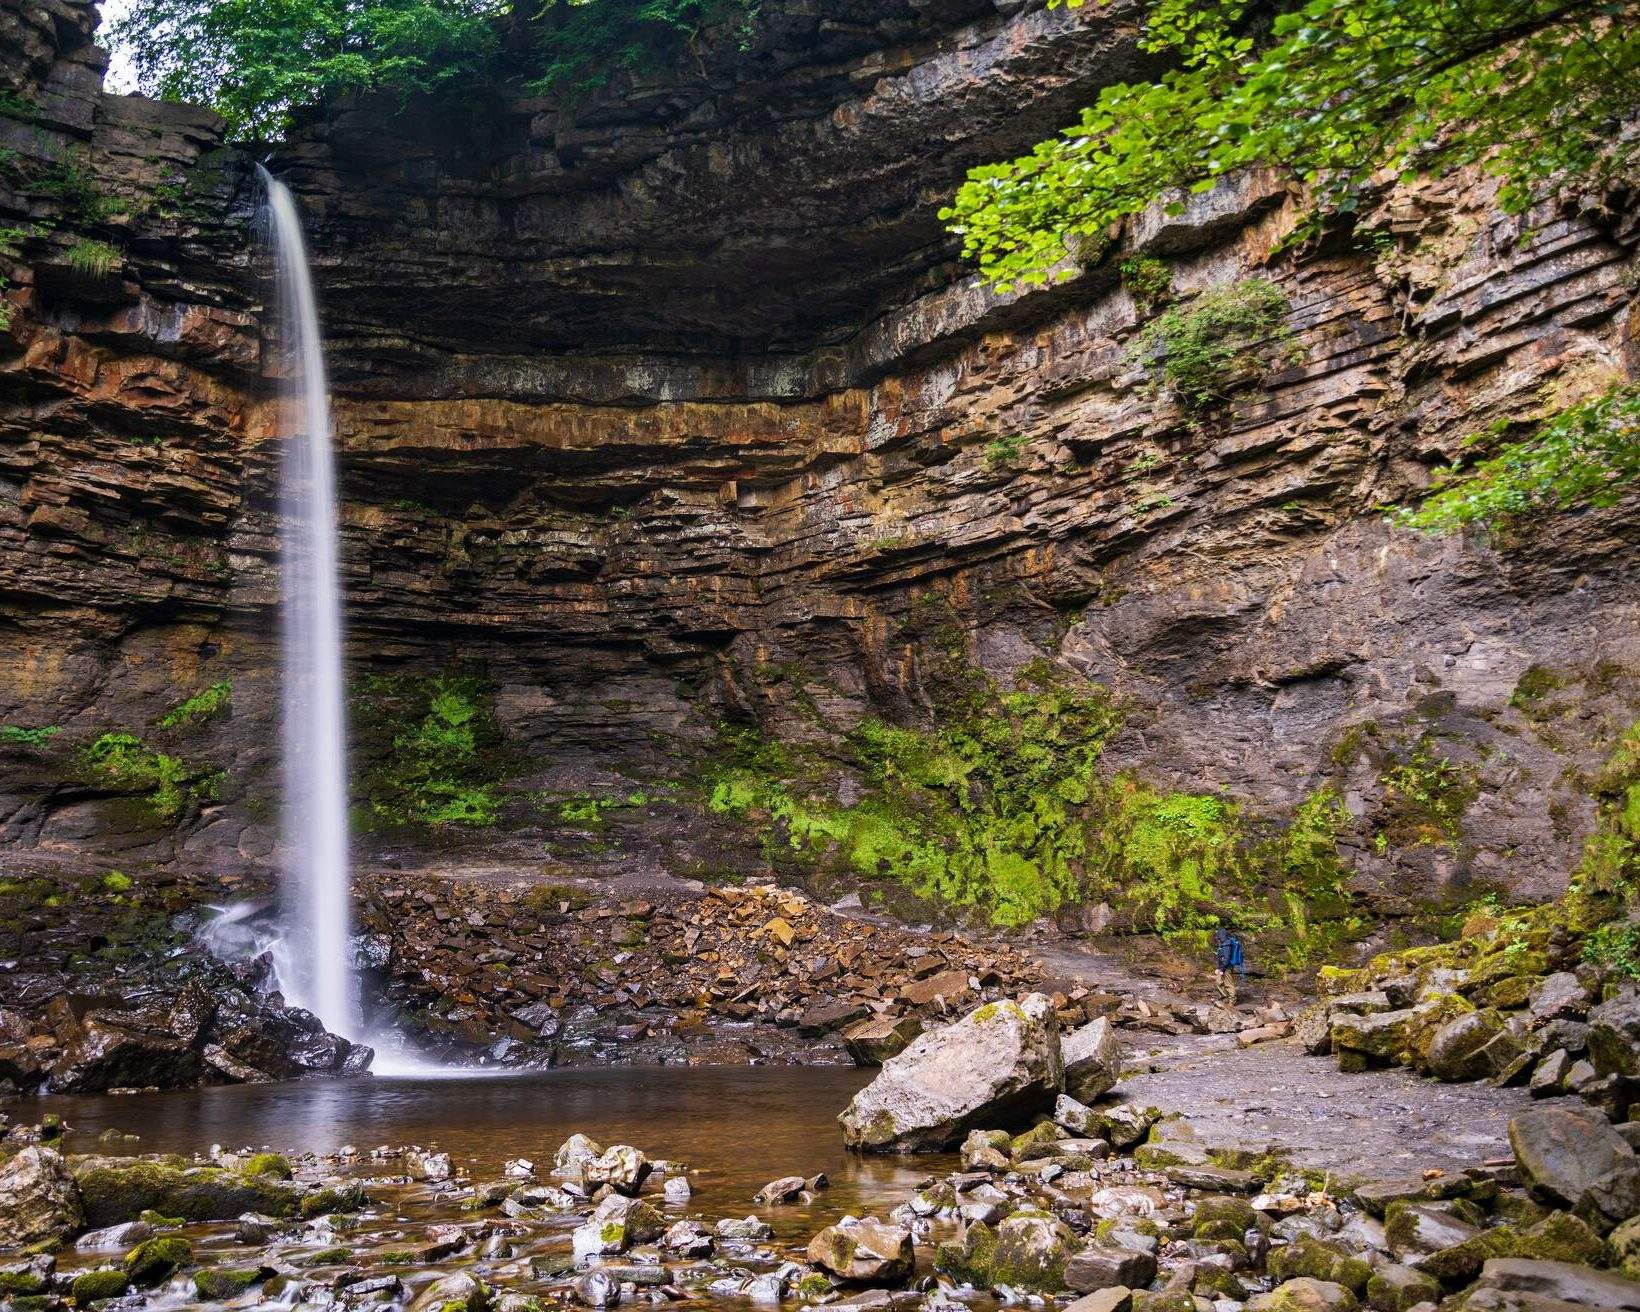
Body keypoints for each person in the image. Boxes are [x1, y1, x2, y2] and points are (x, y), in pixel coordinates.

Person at [1212, 926, 1246, 1006]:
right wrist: (1219, 968)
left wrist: (1221, 970)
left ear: (1221, 935)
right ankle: (1225, 998)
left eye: (1218, 935)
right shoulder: (1224, 944)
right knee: (1218, 982)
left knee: (1228, 984)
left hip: (1227, 968)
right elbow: (1222, 958)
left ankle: (1231, 1001)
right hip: (1223, 968)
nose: (1217, 937)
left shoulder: (1227, 944)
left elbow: (1226, 959)